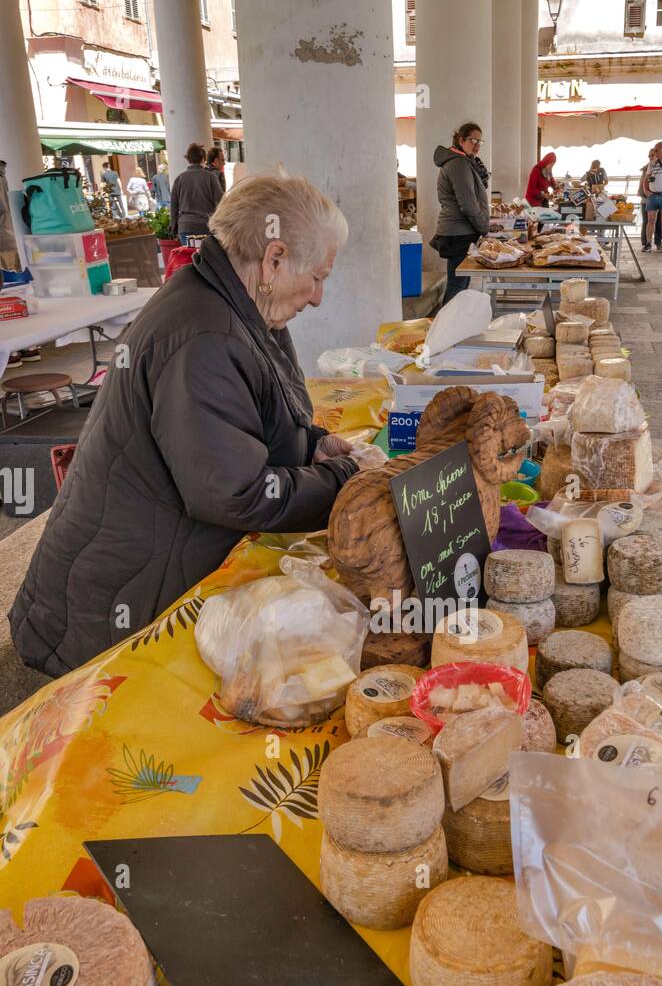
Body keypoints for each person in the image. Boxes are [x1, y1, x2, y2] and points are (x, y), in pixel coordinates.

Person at [9, 173, 359, 678]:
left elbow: (253, 418)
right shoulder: (205, 334)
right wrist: (347, 481)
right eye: (319, 277)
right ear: (274, 258)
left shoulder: (234, 303)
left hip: (137, 572)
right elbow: (236, 493)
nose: (319, 297)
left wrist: (313, 447)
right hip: (109, 617)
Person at [431, 122, 490, 306]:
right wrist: (484, 227)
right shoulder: (458, 163)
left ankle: (451, 327)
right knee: (457, 285)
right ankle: (445, 330)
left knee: (460, 283)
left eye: (480, 141)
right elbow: (468, 204)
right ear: (461, 139)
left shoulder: (464, 162)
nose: (477, 145)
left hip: (461, 230)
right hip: (458, 232)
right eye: (473, 140)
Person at [169, 143, 224, 243]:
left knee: (188, 257)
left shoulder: (179, 179)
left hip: (185, 227)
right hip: (205, 226)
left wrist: (174, 228)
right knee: (205, 257)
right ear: (203, 159)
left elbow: (173, 206)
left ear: (188, 159)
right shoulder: (211, 177)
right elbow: (220, 202)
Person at [639, 147, 662, 252]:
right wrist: (644, 193)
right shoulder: (647, 167)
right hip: (647, 198)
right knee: (646, 221)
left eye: (652, 155)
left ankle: (658, 242)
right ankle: (646, 243)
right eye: (649, 155)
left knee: (659, 222)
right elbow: (642, 183)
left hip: (660, 197)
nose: (650, 157)